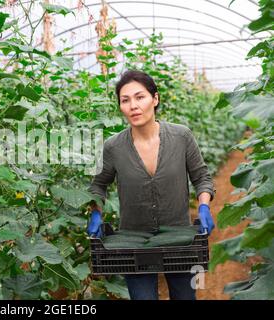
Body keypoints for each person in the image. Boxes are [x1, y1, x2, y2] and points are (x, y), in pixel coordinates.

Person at [87, 70, 216, 300]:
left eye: (140, 97)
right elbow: (98, 185)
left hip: (180, 241)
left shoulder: (181, 137)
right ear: (120, 106)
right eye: (125, 100)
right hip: (132, 245)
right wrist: (96, 212)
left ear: (155, 99)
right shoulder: (113, 147)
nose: (133, 106)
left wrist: (204, 206)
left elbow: (202, 177)